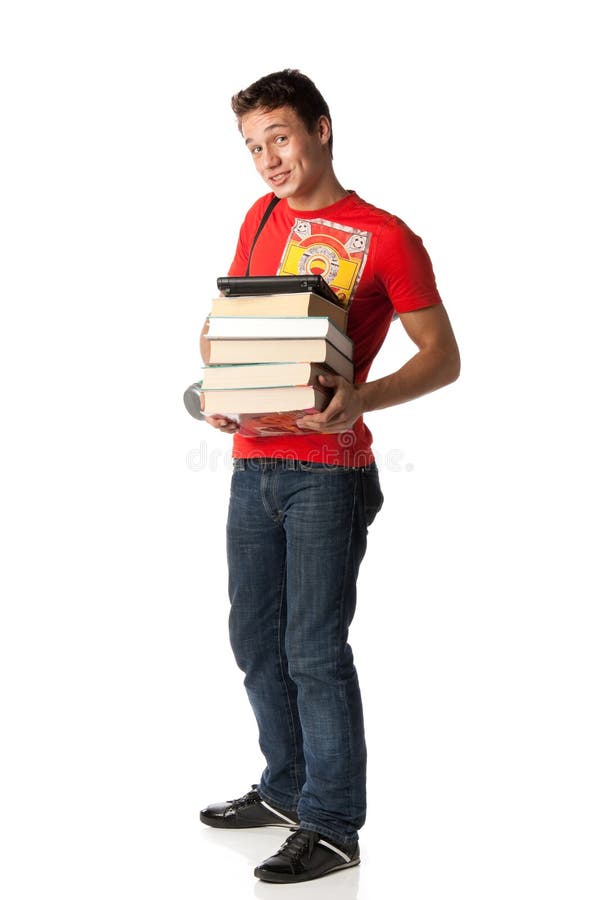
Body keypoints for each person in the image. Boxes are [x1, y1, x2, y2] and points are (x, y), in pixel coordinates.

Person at [198, 69, 460, 884]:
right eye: (252, 146)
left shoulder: (386, 236)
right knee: (255, 642)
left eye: (279, 136)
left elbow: (443, 358)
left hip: (328, 471)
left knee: (313, 650)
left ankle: (334, 824)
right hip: (252, 461)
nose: (267, 159)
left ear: (321, 128)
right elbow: (231, 320)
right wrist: (217, 377)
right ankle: (284, 789)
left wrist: (361, 400)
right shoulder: (262, 215)